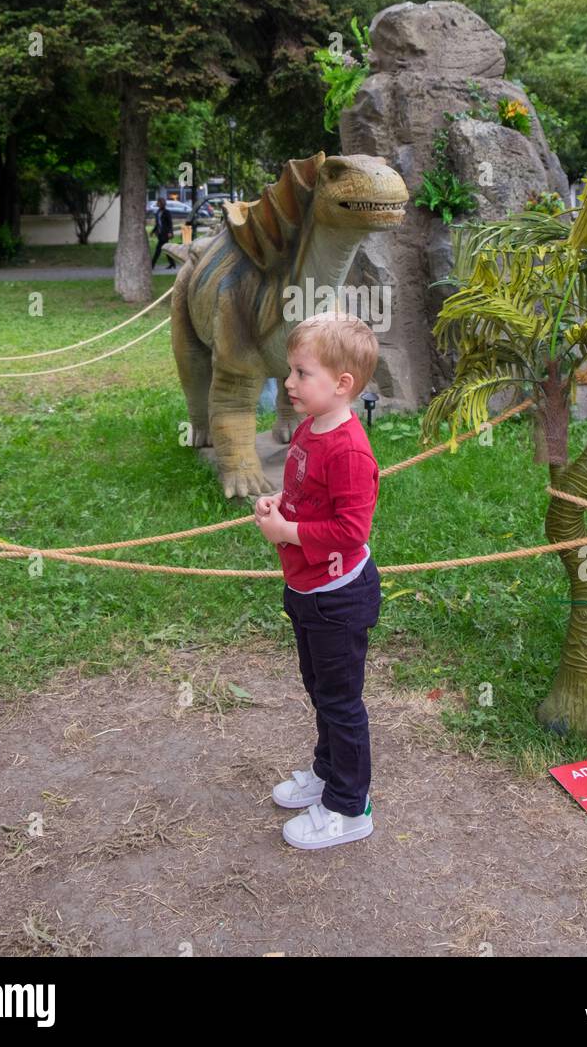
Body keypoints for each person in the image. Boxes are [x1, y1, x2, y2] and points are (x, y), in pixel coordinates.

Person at [255, 311, 382, 850]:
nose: (289, 383)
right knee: (320, 690)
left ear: (342, 384)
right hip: (306, 587)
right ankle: (327, 772)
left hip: (338, 596)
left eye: (301, 373)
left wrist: (289, 530)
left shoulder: (351, 450)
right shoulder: (310, 427)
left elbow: (350, 530)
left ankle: (350, 807)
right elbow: (309, 493)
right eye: (291, 371)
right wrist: (282, 505)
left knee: (340, 701)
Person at [151, 197, 174, 268]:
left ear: (161, 203)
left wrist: (170, 232)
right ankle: (172, 263)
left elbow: (170, 223)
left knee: (158, 249)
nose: (157, 204)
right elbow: (157, 224)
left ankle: (152, 264)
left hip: (165, 233)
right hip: (160, 234)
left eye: (158, 202)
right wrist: (153, 231)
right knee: (165, 249)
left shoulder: (167, 212)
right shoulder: (157, 212)